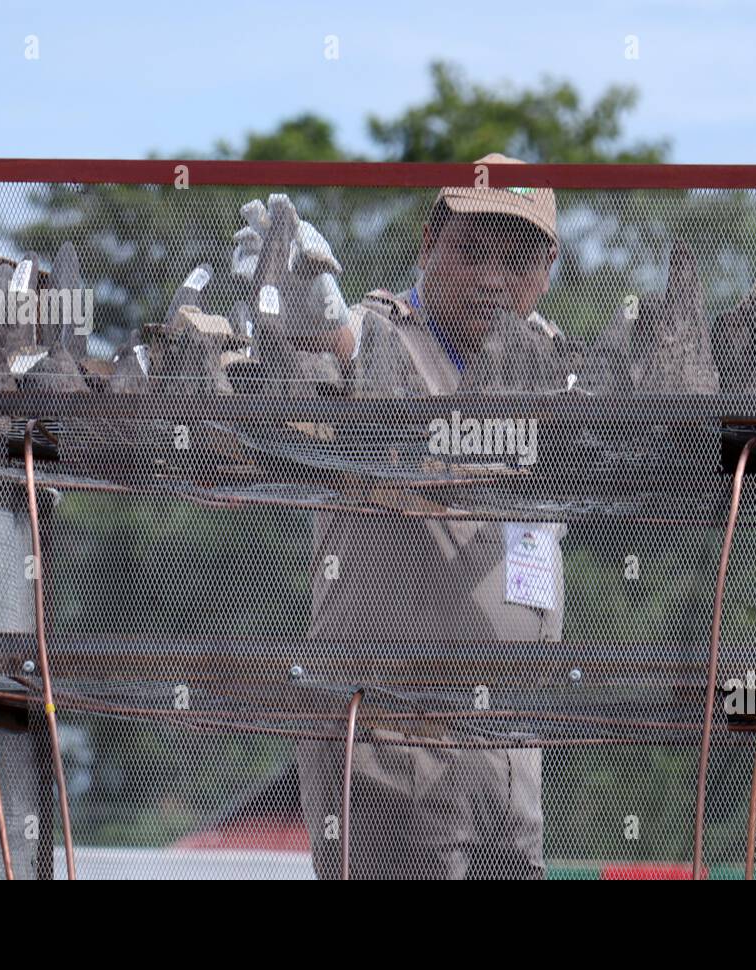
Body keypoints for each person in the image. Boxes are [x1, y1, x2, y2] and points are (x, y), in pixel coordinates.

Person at [260, 154, 566, 878]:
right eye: (471, 252)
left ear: (548, 269)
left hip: (514, 748)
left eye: (518, 261)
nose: (493, 278)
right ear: (428, 246)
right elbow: (335, 348)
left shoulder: (548, 365)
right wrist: (315, 324)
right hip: (397, 744)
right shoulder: (382, 339)